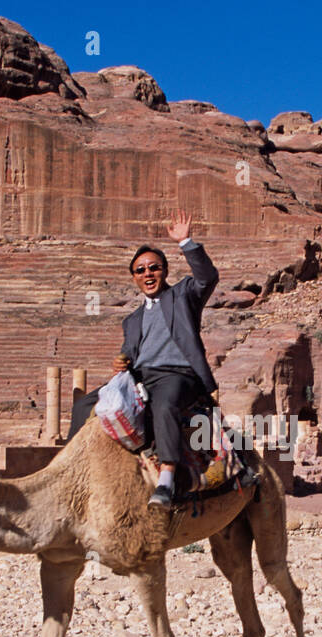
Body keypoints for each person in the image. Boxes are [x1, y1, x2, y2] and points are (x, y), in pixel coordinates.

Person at [67, 209, 219, 508]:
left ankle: (166, 479)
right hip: (141, 378)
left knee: (164, 403)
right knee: (84, 404)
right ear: (134, 277)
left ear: (164, 270)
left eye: (154, 267)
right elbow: (129, 353)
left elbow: (207, 277)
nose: (148, 273)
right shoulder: (132, 320)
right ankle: (72, 465)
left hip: (178, 374)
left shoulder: (183, 296)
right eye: (140, 270)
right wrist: (121, 362)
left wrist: (186, 241)